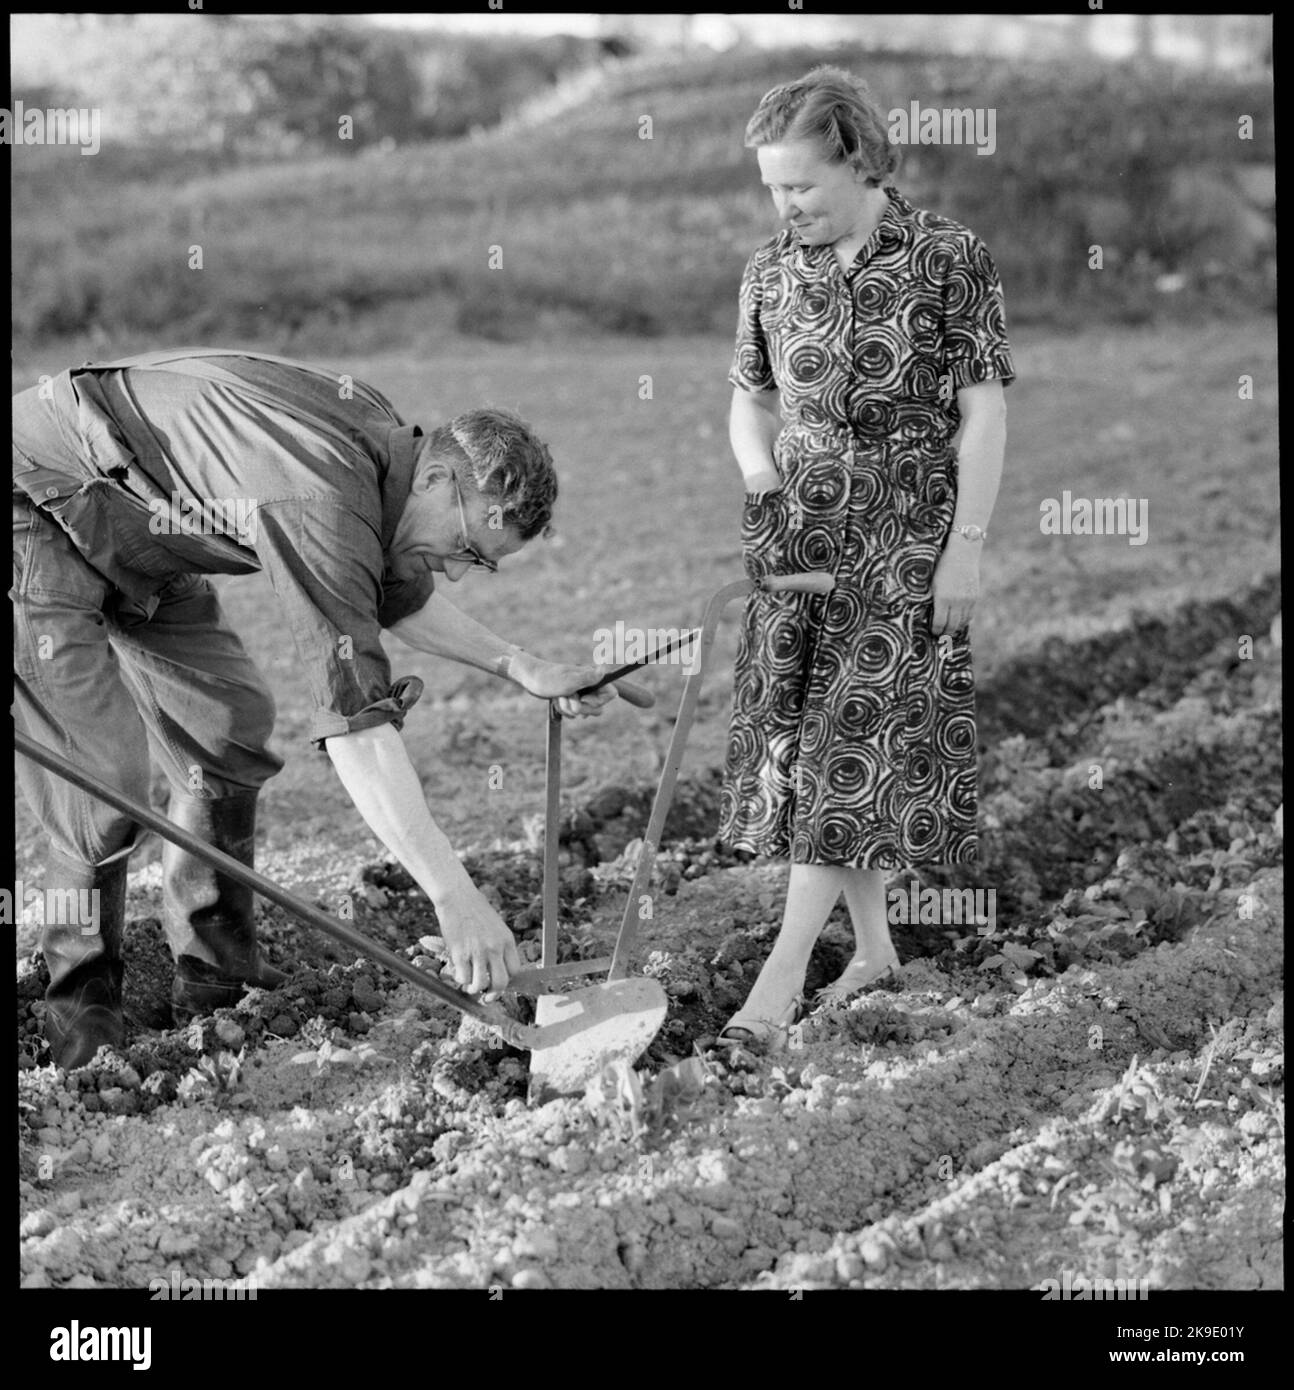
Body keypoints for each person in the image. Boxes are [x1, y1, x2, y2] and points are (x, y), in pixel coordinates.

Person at [12, 346, 617, 1069]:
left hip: (149, 535)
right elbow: (355, 724)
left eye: (478, 563)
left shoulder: (386, 452)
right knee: (104, 784)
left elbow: (394, 589)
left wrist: (519, 665)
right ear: (436, 476)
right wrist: (454, 897)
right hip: (42, 508)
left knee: (229, 732)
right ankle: (81, 1008)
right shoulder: (324, 493)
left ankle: (216, 973)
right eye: (466, 548)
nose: (458, 570)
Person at [717, 67, 1014, 1045]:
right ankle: (875, 946)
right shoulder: (769, 272)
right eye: (769, 187)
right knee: (811, 750)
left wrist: (963, 550)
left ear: (857, 161)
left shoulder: (948, 257)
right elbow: (748, 398)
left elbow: (983, 410)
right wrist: (763, 489)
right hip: (798, 532)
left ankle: (778, 980)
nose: (782, 204)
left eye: (798, 185)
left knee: (849, 750)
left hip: (905, 532)